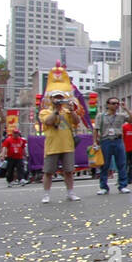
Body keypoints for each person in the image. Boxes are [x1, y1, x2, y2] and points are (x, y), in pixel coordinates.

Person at [38, 70, 82, 204]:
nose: (58, 100)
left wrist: (72, 110)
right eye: (56, 98)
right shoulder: (45, 111)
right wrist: (56, 110)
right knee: (49, 172)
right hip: (52, 146)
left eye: (60, 97)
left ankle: (71, 192)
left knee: (69, 171)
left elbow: (76, 121)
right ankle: (46, 194)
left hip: (67, 145)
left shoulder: (68, 111)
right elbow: (48, 122)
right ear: (51, 99)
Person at [93, 97, 132, 195]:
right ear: (108, 105)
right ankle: (103, 187)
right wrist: (94, 142)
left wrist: (126, 108)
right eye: (114, 103)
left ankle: (123, 185)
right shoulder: (100, 116)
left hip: (118, 140)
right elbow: (96, 129)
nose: (116, 105)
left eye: (117, 103)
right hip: (105, 140)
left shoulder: (121, 116)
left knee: (121, 164)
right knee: (105, 165)